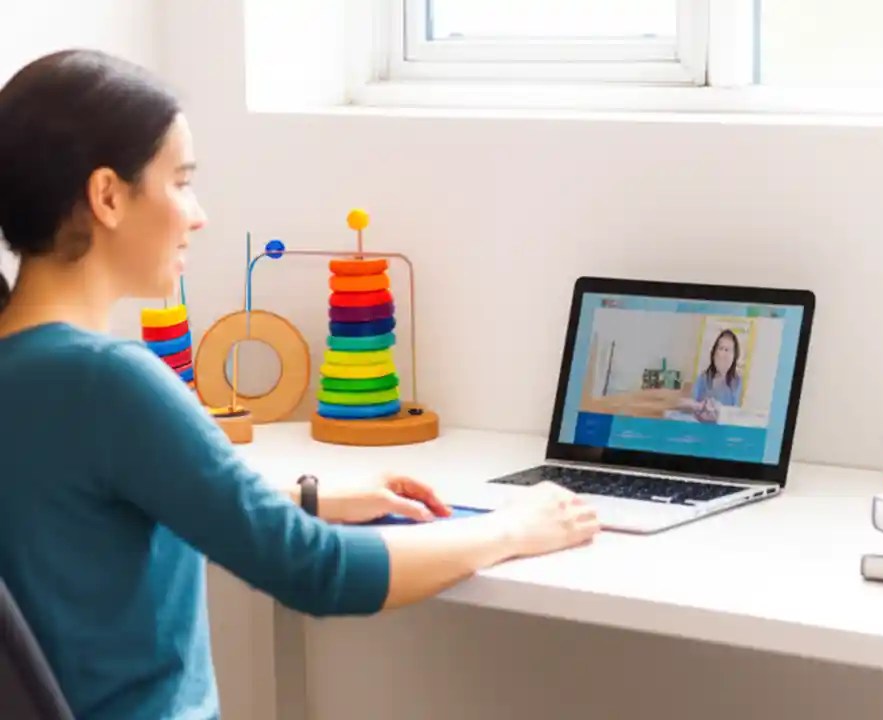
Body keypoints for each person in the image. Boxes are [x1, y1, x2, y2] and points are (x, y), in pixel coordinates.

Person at [0, 49, 600, 720]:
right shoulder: (107, 382)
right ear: (108, 196)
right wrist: (513, 528)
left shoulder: (28, 372)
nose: (199, 215)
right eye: (182, 182)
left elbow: (84, 513)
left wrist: (305, 498)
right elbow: (314, 571)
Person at [681, 329, 742, 423]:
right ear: (714, 353)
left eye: (728, 350)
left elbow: (734, 413)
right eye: (720, 348)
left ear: (734, 356)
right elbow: (690, 406)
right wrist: (700, 407)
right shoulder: (703, 378)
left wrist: (719, 411)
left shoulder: (736, 381)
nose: (723, 354)